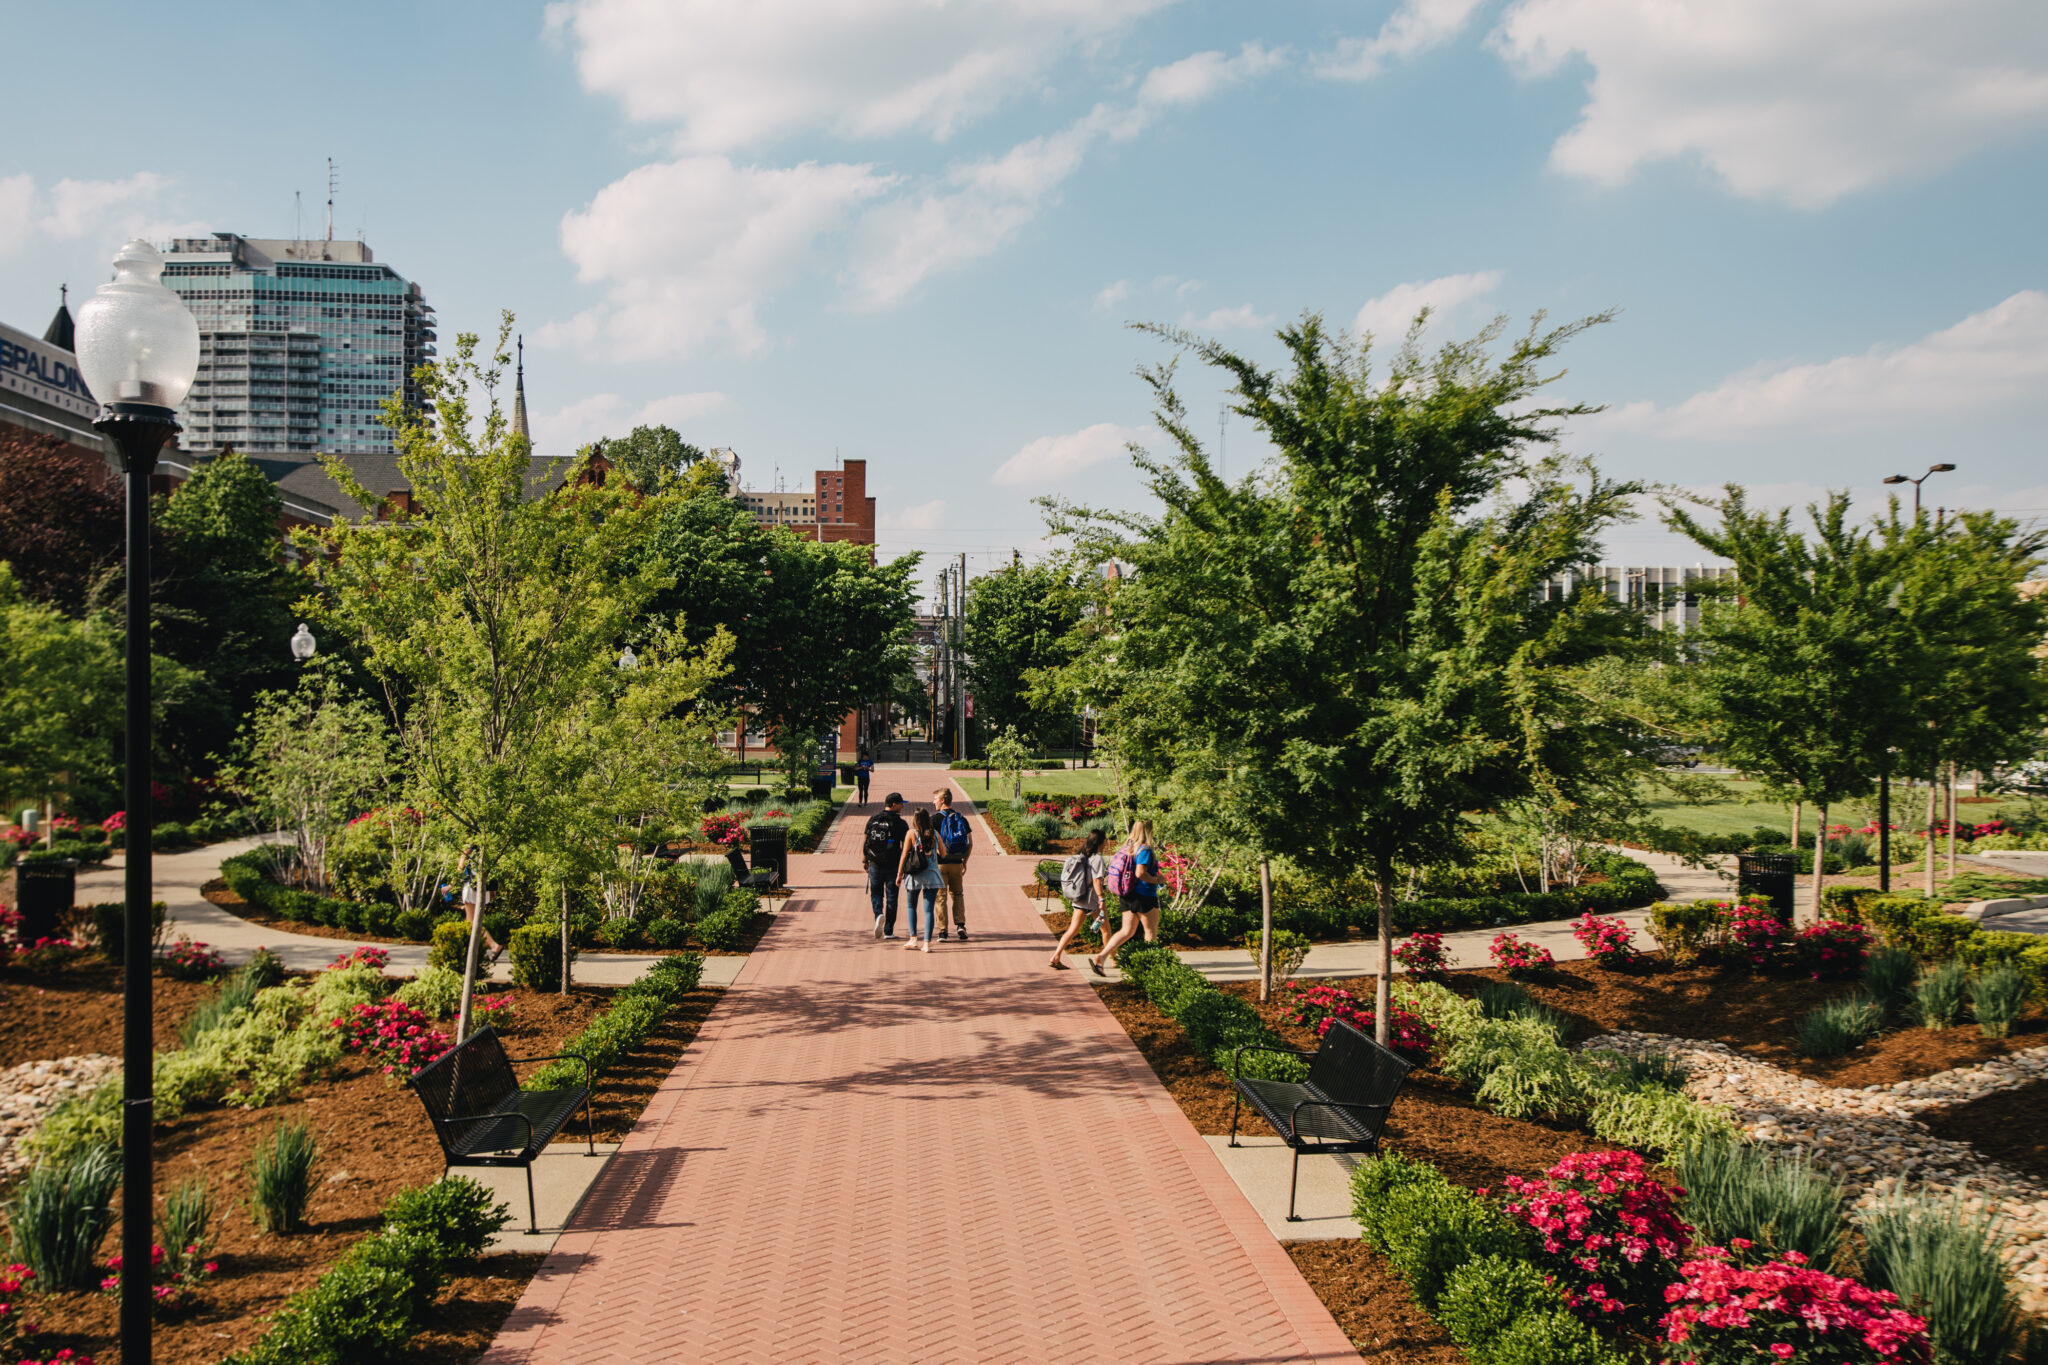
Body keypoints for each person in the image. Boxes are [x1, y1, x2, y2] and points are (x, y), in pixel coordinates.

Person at [1090, 819, 1163, 976]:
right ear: (1149, 831)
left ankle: (1101, 957)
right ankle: (1149, 968)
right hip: (1144, 896)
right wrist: (1157, 880)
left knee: (1127, 931)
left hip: (1127, 895)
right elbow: (1140, 873)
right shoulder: (1145, 850)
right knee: (1150, 932)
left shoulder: (1128, 847)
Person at [1048, 829, 1110, 969]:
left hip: (1079, 897)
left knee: (1072, 929)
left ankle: (1056, 956)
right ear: (1100, 842)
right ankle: (1112, 960)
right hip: (1092, 900)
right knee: (1105, 930)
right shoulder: (1097, 859)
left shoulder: (1081, 855)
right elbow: (1096, 882)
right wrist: (1102, 898)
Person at [861, 793, 909, 939]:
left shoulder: (873, 819)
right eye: (901, 803)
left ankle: (878, 915)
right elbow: (906, 847)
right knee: (892, 897)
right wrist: (904, 867)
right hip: (893, 864)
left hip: (874, 863)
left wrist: (864, 859)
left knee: (876, 893)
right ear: (893, 804)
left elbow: (866, 839)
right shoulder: (900, 823)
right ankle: (889, 931)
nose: (902, 806)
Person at [898, 808, 944, 952]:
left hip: (915, 875)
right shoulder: (935, 834)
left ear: (915, 820)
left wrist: (899, 874)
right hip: (932, 875)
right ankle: (927, 943)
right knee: (929, 909)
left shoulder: (911, 833)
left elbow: (904, 855)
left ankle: (913, 939)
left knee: (911, 906)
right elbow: (943, 853)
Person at [932, 787, 973, 941]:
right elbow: (970, 843)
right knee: (958, 894)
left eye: (936, 799)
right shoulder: (961, 818)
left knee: (940, 896)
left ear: (943, 800)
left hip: (940, 864)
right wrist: (965, 862)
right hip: (957, 863)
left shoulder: (935, 819)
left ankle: (942, 931)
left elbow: (929, 843)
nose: (934, 802)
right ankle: (960, 925)